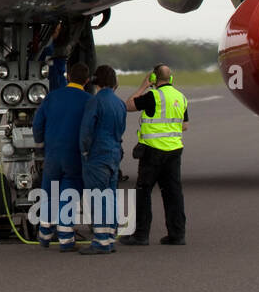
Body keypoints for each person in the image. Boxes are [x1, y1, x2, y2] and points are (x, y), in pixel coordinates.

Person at [119, 64, 189, 246]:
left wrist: (143, 86)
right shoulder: (180, 97)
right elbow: (185, 125)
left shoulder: (153, 96)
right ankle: (177, 234)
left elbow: (128, 105)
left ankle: (141, 235)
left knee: (143, 192)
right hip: (174, 151)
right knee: (173, 193)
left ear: (154, 79)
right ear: (171, 79)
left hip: (153, 151)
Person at [32, 61, 90, 251]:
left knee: (49, 193)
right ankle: (65, 238)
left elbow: (38, 123)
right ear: (87, 80)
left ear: (68, 77)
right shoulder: (88, 100)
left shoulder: (52, 97)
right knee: (69, 194)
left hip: (52, 154)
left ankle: (44, 235)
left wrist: (40, 145)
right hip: (73, 155)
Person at [79, 65, 127, 255]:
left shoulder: (95, 102)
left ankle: (100, 241)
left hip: (98, 154)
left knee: (97, 198)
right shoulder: (119, 103)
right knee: (110, 196)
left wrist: (84, 151)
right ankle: (109, 238)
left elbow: (86, 131)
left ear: (95, 81)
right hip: (115, 152)